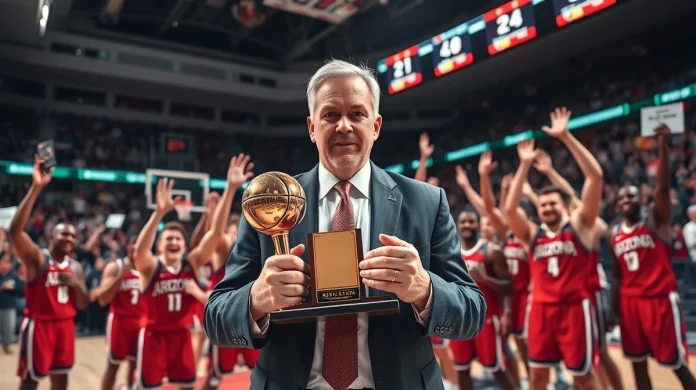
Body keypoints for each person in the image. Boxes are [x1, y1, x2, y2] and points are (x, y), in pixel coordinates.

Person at [204, 59, 487, 389]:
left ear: (376, 125)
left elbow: (472, 313)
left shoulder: (426, 202)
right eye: (330, 115)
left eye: (357, 114)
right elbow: (216, 319)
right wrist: (256, 300)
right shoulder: (270, 204)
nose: (344, 126)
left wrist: (425, 290)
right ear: (312, 127)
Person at [133, 154, 253, 390]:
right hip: (153, 338)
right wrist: (158, 213)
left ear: (184, 244)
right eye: (168, 238)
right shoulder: (150, 267)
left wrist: (230, 189)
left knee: (188, 386)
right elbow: (139, 250)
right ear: (159, 245)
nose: (174, 242)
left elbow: (216, 234)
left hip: (182, 337)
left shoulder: (192, 262)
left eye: (178, 238)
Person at [504, 107, 603, 390]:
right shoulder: (532, 234)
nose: (547, 207)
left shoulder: (581, 225)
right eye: (543, 204)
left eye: (552, 204)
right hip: (542, 311)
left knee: (583, 378)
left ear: (564, 206)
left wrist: (566, 137)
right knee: (537, 377)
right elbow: (510, 208)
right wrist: (524, 165)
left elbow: (595, 177)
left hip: (575, 310)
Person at [610, 125, 696, 390]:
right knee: (637, 365)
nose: (626, 199)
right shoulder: (615, 233)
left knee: (676, 363)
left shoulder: (657, 221)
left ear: (641, 199)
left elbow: (662, 187)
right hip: (630, 304)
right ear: (617, 204)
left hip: (659, 301)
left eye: (632, 196)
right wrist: (615, 309)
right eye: (622, 196)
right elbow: (616, 273)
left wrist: (662, 145)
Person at [533, 150, 623, 390]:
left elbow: (573, 198)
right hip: (572, 297)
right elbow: (563, 200)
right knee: (594, 358)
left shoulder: (587, 223)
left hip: (589, 295)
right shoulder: (558, 226)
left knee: (599, 355)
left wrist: (551, 172)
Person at [9, 155, 89, 390]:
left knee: (61, 382)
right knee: (30, 382)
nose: (69, 238)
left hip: (65, 326)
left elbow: (83, 304)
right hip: (39, 327)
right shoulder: (37, 257)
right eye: (64, 233)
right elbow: (15, 232)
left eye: (73, 235)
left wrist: (76, 284)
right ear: (51, 236)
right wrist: (36, 187)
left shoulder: (76, 267)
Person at [450, 208, 514, 390]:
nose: (467, 225)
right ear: (457, 225)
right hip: (459, 320)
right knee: (462, 369)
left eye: (471, 221)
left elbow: (508, 287)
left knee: (497, 370)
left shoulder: (492, 250)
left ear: (478, 224)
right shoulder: (451, 252)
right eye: (463, 222)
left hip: (487, 318)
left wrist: (485, 279)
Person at [93, 239, 144, 390]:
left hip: (141, 322)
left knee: (135, 365)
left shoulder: (148, 267)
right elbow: (103, 299)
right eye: (135, 243)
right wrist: (120, 276)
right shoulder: (115, 267)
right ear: (129, 246)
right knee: (113, 366)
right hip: (119, 323)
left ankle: (129, 387)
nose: (139, 247)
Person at [0, 250, 24, 354]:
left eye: (8, 262)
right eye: (4, 261)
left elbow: (22, 290)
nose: (7, 264)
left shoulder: (14, 275)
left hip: (9, 306)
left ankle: (7, 345)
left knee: (9, 327)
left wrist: (12, 288)